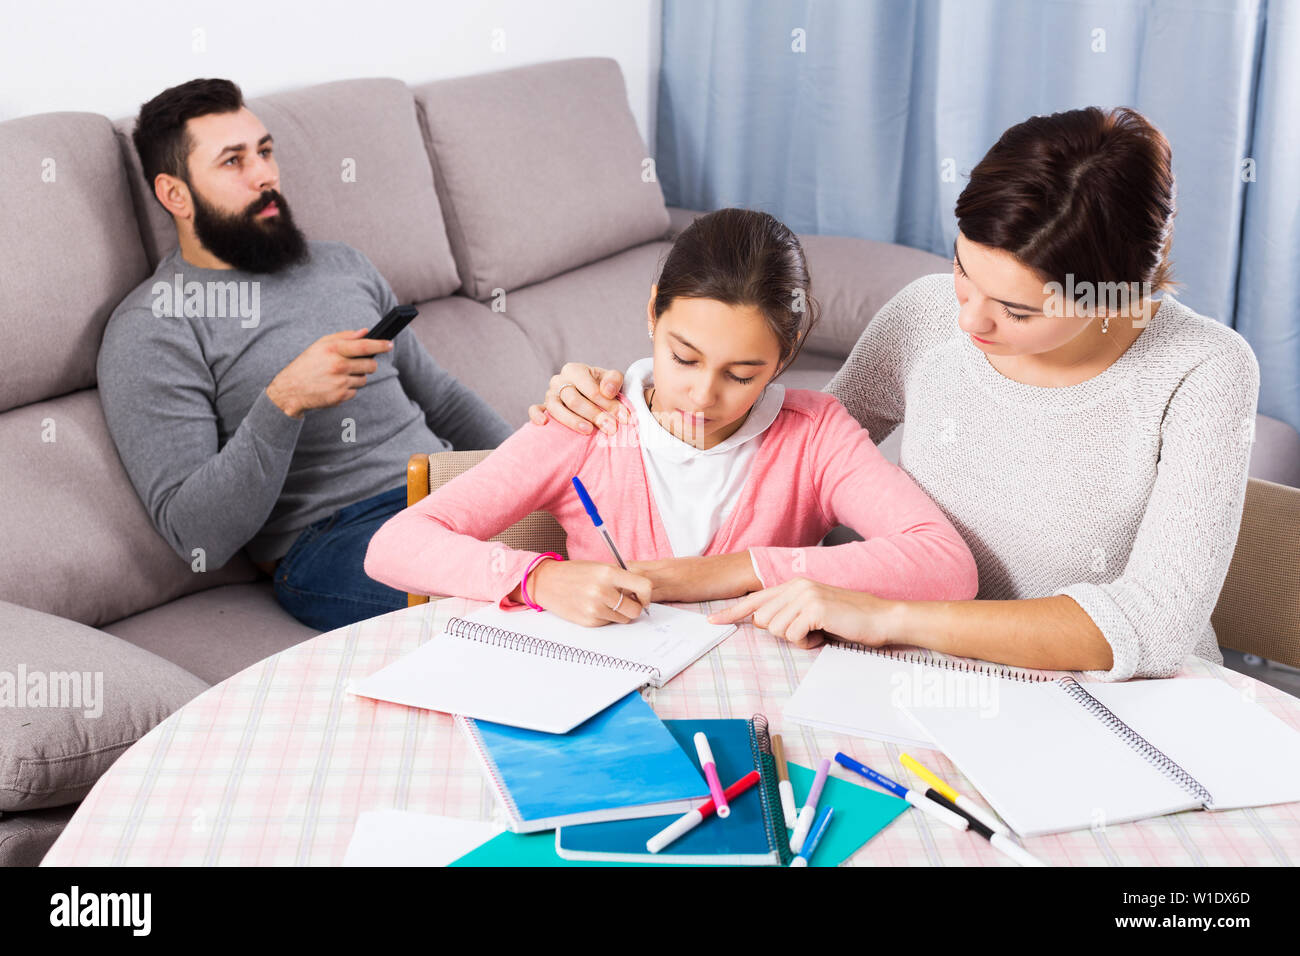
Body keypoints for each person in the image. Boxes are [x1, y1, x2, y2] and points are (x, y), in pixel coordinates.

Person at [532, 107, 1261, 680]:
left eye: (1018, 312)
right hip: (912, 681)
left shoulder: (1201, 370)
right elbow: (791, 462)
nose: (969, 318)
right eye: (963, 272)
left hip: (1115, 697)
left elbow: (1156, 625)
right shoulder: (922, 315)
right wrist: (628, 400)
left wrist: (890, 617)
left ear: (1116, 294)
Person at [364, 209, 978, 625]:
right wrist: (539, 582)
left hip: (766, 714)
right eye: (684, 358)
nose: (702, 396)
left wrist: (737, 572)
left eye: (742, 375)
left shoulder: (817, 435)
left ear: (785, 356)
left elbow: (947, 568)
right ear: (654, 314)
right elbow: (394, 545)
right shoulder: (587, 420)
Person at [97, 78, 511, 631]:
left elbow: (439, 395)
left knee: (621, 544)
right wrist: (284, 401)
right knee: (525, 600)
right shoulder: (153, 327)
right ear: (175, 194)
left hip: (452, 490)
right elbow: (198, 536)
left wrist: (531, 467)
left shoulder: (341, 265)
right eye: (232, 162)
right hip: (337, 537)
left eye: (265, 151)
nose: (265, 174)